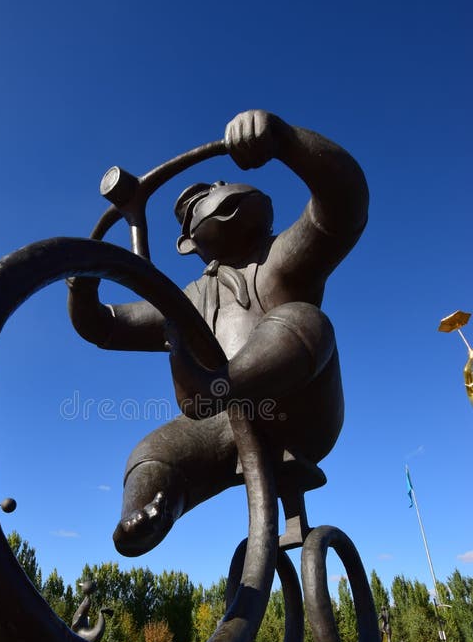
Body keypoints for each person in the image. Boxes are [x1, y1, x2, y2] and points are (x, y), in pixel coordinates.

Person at [68, 109, 368, 557]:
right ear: (189, 242)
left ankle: (214, 385)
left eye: (217, 188)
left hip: (301, 410)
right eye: (201, 201)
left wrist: (284, 140)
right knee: (154, 451)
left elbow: (345, 202)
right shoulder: (190, 299)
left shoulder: (280, 257)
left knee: (306, 320)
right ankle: (156, 508)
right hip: (227, 423)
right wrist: (82, 280)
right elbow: (102, 326)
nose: (216, 194)